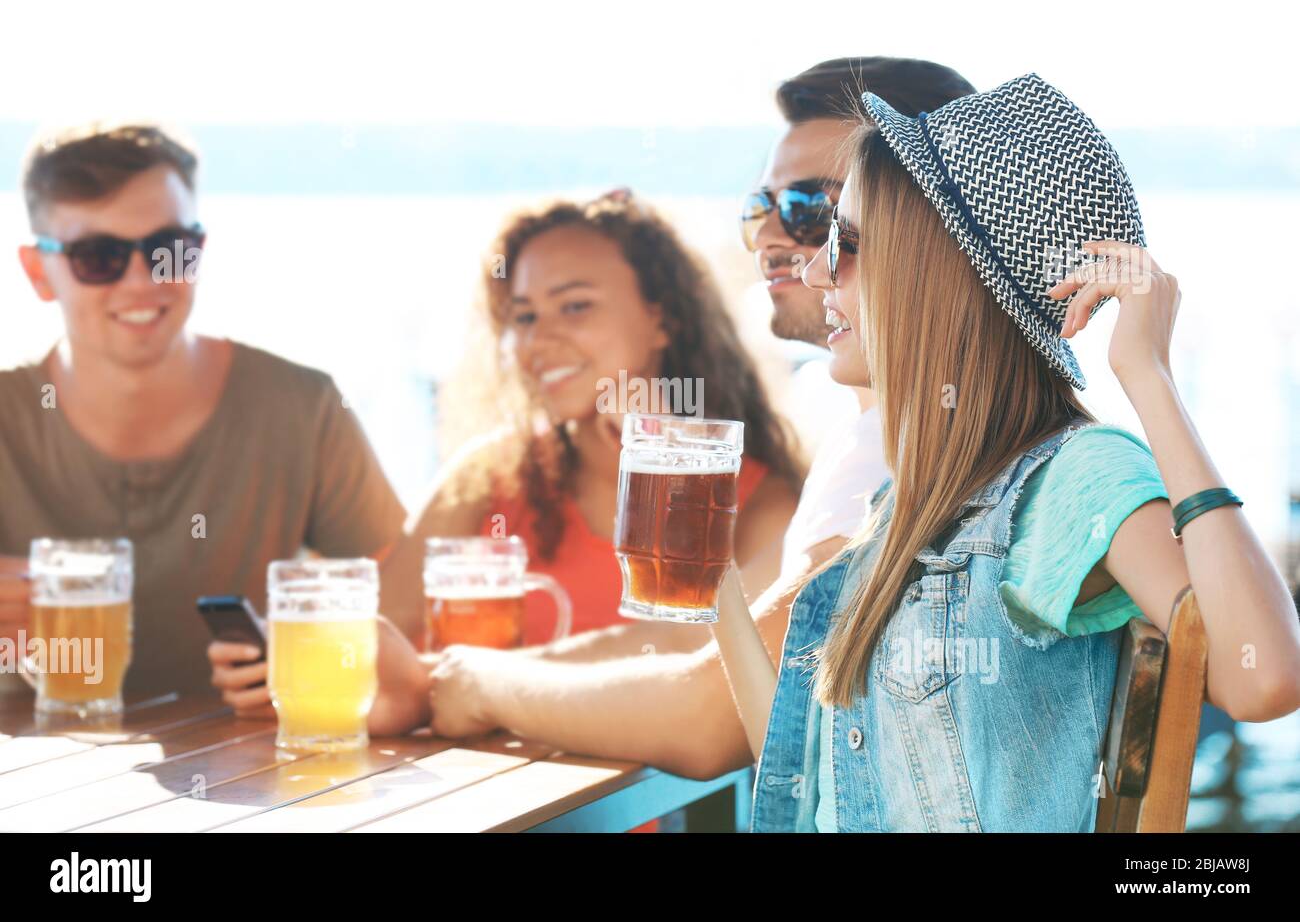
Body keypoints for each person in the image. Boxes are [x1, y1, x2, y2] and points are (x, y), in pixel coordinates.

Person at [708, 74, 1300, 832]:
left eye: (848, 243)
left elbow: (1265, 680)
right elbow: (824, 797)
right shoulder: (913, 503)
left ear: (943, 272)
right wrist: (712, 586)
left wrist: (1148, 375)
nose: (820, 270)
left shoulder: (1071, 478)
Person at [359, 59, 977, 776]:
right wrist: (459, 675)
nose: (773, 241)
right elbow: (686, 639)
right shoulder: (867, 441)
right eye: (758, 210)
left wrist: (471, 685)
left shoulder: (914, 458)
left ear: (927, 220)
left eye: (815, 209)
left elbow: (716, 714)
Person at [210, 189, 805, 716]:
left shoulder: (761, 506)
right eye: (523, 316)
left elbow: (703, 665)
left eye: (575, 306)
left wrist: (469, 684)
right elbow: (377, 642)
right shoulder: (489, 475)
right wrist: (295, 667)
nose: (539, 340)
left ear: (662, 319)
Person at [0, 121, 409, 698]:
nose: (143, 282)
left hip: (254, 777)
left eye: (167, 251)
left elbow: (402, 600)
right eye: (99, 257)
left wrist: (310, 659)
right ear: (39, 271)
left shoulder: (302, 408)